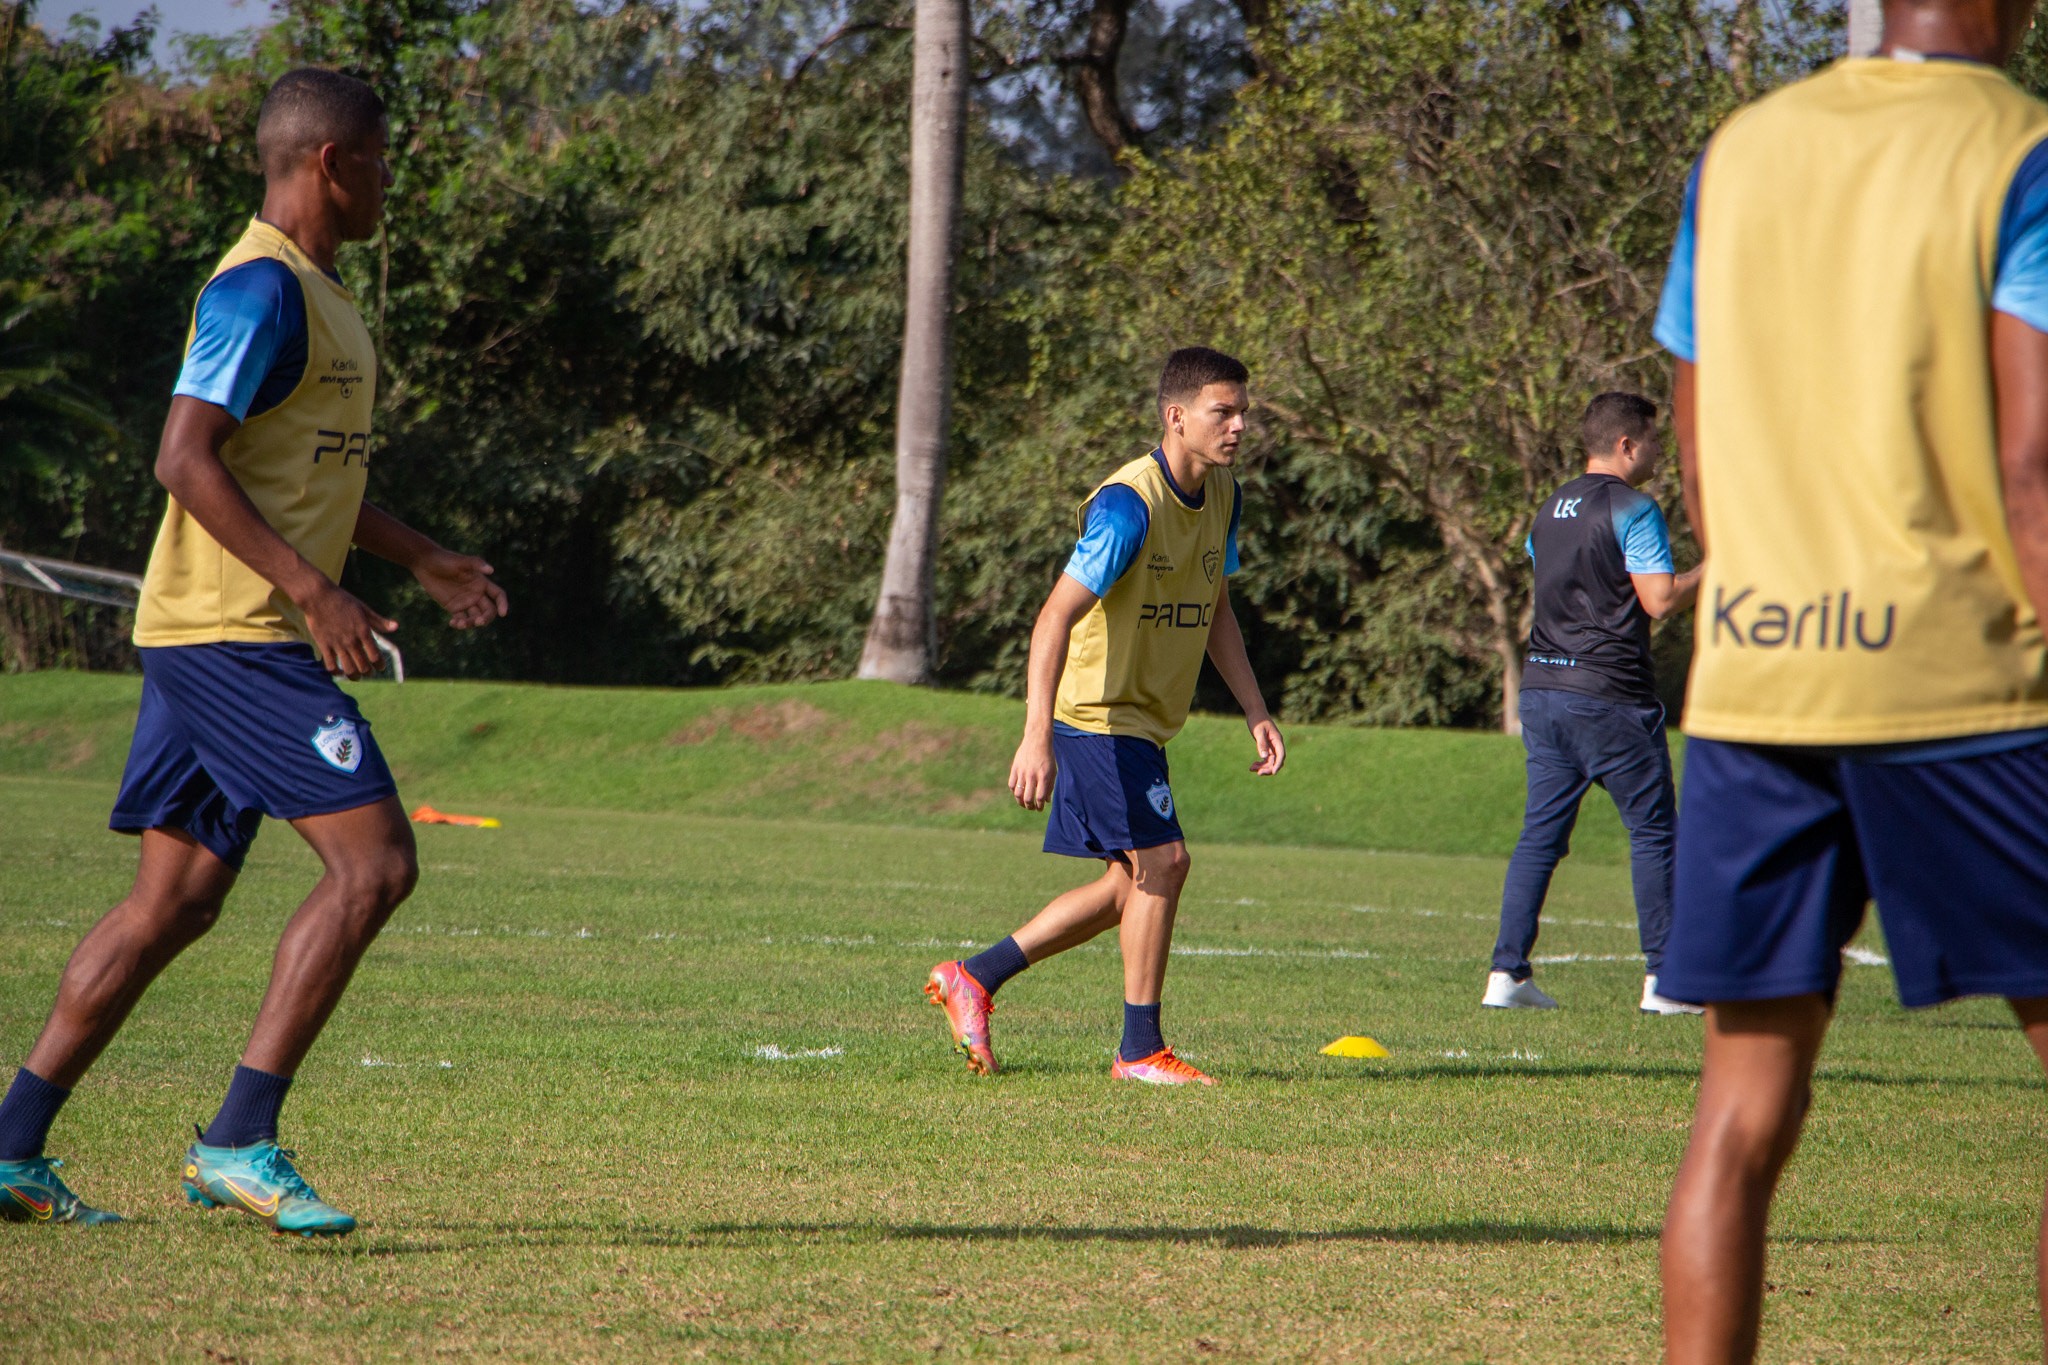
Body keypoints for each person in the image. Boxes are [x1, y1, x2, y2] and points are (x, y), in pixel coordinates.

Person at [0, 67, 506, 1235]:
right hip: (235, 636)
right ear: (332, 162)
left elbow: (309, 478)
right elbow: (184, 458)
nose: (389, 180)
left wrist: (423, 557)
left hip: (213, 633)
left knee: (172, 903)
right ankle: (237, 1139)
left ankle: (11, 1146)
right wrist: (312, 590)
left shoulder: (321, 296)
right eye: (379, 159)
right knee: (375, 866)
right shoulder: (257, 289)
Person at [1651, 0, 2048, 1356]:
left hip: (1761, 678)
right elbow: (2030, 470)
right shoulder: (2020, 148)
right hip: (1961, 681)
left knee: (1740, 1113)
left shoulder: (1739, 150)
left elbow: (1700, 456)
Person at [923, 347, 1285, 1085]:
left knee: (1130, 885)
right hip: (1095, 715)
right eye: (1223, 412)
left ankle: (975, 976)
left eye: (1243, 412)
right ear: (1176, 417)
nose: (1240, 426)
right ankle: (1139, 1050)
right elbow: (1052, 618)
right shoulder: (1128, 506)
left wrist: (1255, 708)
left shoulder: (1224, 494)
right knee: (1165, 863)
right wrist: (1035, 736)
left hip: (1142, 722)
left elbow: (1215, 606)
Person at [1482, 393, 1702, 1015]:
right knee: (1654, 832)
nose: (1660, 452)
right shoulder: (1634, 507)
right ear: (1627, 445)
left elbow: (1555, 582)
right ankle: (1666, 981)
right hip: (1609, 697)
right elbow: (1660, 600)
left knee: (1540, 837)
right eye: (1654, 441)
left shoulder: (1549, 508)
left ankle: (1506, 974)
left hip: (1543, 692)